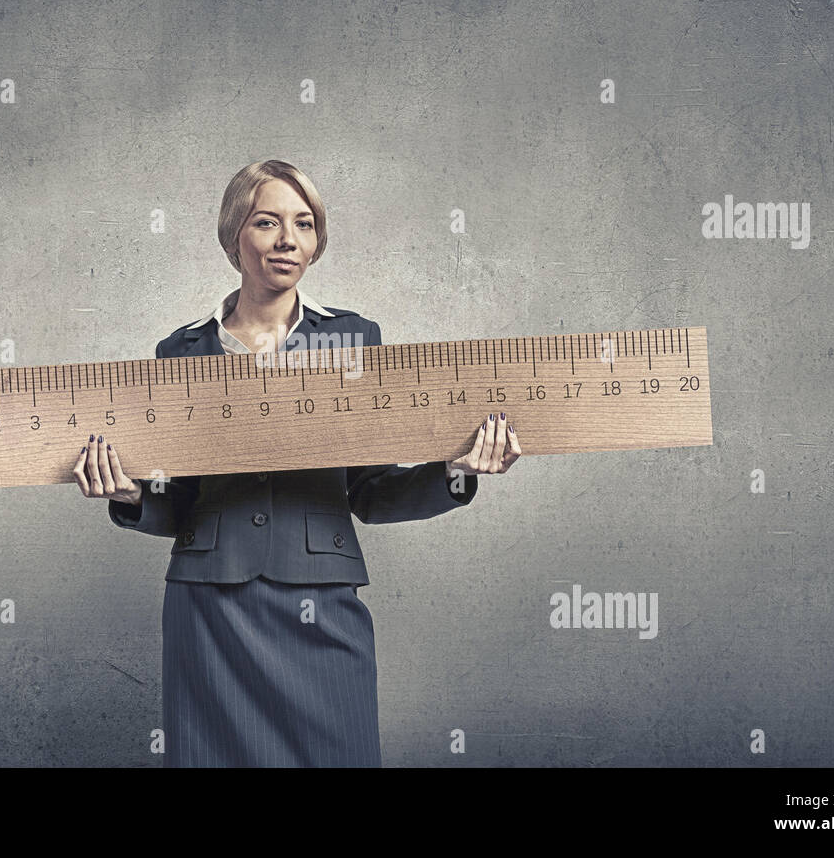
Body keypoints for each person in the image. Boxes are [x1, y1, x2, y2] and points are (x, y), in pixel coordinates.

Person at [73, 159, 523, 767]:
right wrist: (128, 495)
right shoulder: (180, 350)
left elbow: (371, 490)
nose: (288, 239)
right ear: (235, 235)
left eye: (304, 223)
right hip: (209, 608)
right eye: (267, 221)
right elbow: (175, 497)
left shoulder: (355, 338)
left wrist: (459, 471)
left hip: (321, 598)